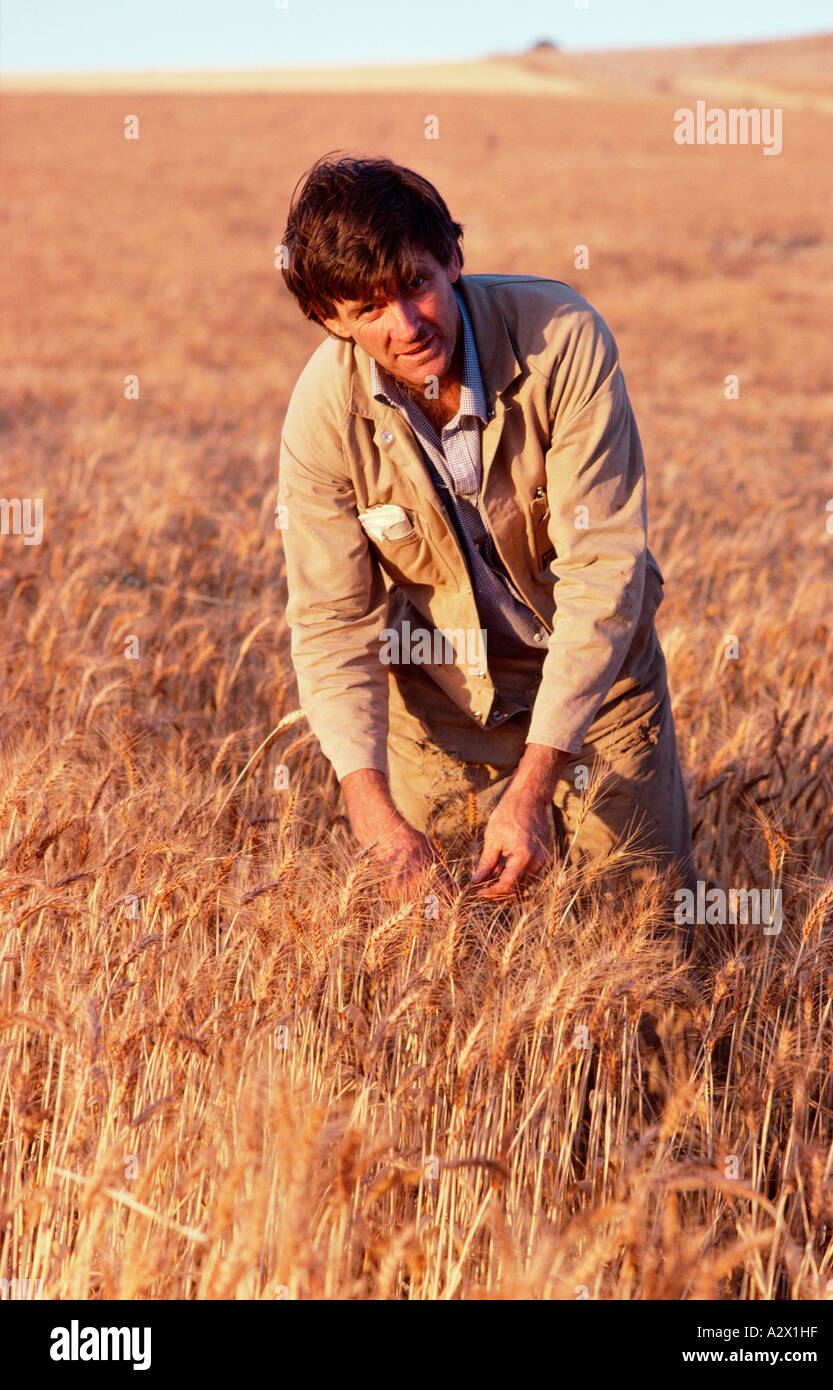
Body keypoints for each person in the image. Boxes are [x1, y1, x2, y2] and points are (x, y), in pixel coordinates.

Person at [276, 154, 696, 951]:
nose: (405, 323)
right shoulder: (321, 417)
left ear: (453, 262)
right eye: (369, 307)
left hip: (601, 681)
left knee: (638, 929)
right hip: (442, 703)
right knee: (459, 950)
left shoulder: (561, 336)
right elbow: (332, 627)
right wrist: (372, 811)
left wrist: (534, 783)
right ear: (332, 320)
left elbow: (603, 574)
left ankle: (659, 1077)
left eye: (416, 283)